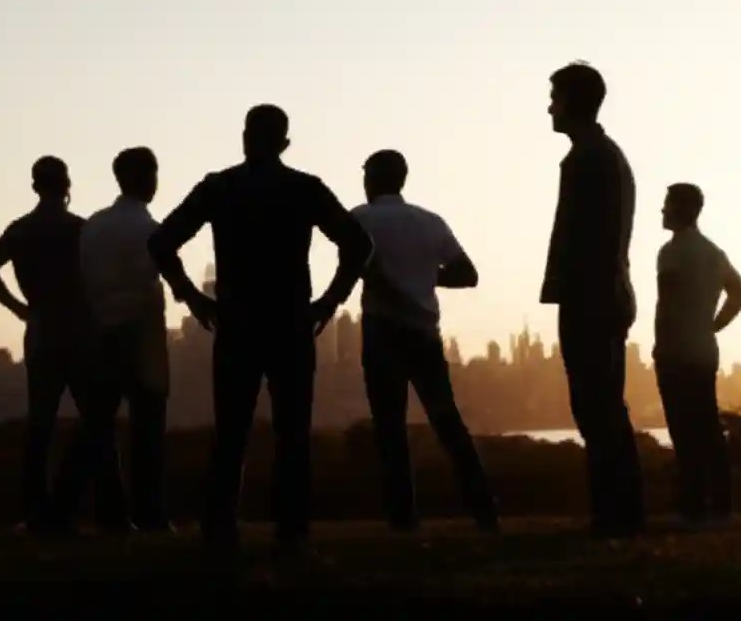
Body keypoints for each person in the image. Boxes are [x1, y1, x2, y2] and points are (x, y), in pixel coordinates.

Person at [147, 104, 373, 552]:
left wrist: (192, 297)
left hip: (237, 322)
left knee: (231, 429)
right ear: (284, 143)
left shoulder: (219, 187)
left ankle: (220, 524)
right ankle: (292, 527)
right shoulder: (305, 189)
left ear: (245, 136)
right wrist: (330, 301)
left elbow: (160, 242)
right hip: (291, 322)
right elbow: (359, 243)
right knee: (294, 430)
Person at [350, 150, 498, 533]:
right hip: (425, 334)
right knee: (447, 421)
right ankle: (484, 510)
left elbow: (356, 267)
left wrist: (395, 284)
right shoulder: (431, 222)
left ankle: (403, 516)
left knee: (390, 426)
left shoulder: (360, 218)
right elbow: (468, 274)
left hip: (383, 331)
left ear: (372, 179)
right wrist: (424, 278)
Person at [540, 61, 645, 538]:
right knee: (604, 404)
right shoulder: (605, 156)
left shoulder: (588, 159)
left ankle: (615, 512)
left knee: (595, 405)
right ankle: (619, 510)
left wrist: (568, 287)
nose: (549, 109)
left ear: (573, 103)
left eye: (555, 98)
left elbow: (585, 236)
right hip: (606, 292)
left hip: (592, 294)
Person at [0, 156, 97, 532]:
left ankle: (37, 512)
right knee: (94, 420)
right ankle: (71, 506)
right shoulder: (80, 230)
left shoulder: (21, 230)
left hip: (41, 332)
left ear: (34, 186)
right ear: (67, 184)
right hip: (80, 331)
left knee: (40, 425)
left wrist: (18, 308)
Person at [55, 146, 173, 533]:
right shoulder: (148, 228)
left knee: (97, 425)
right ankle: (150, 514)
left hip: (100, 330)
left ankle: (67, 509)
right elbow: (155, 276)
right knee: (148, 427)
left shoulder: (93, 226)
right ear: (146, 177)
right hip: (140, 332)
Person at [653, 183, 741, 528]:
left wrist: (661, 345)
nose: (662, 211)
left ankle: (693, 507)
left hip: (676, 351)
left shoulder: (671, 252)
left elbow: (667, 303)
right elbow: (740, 293)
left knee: (683, 430)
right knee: (708, 429)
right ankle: (721, 506)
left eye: (666, 205)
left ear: (680, 208)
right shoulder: (713, 252)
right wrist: (714, 325)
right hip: (705, 351)